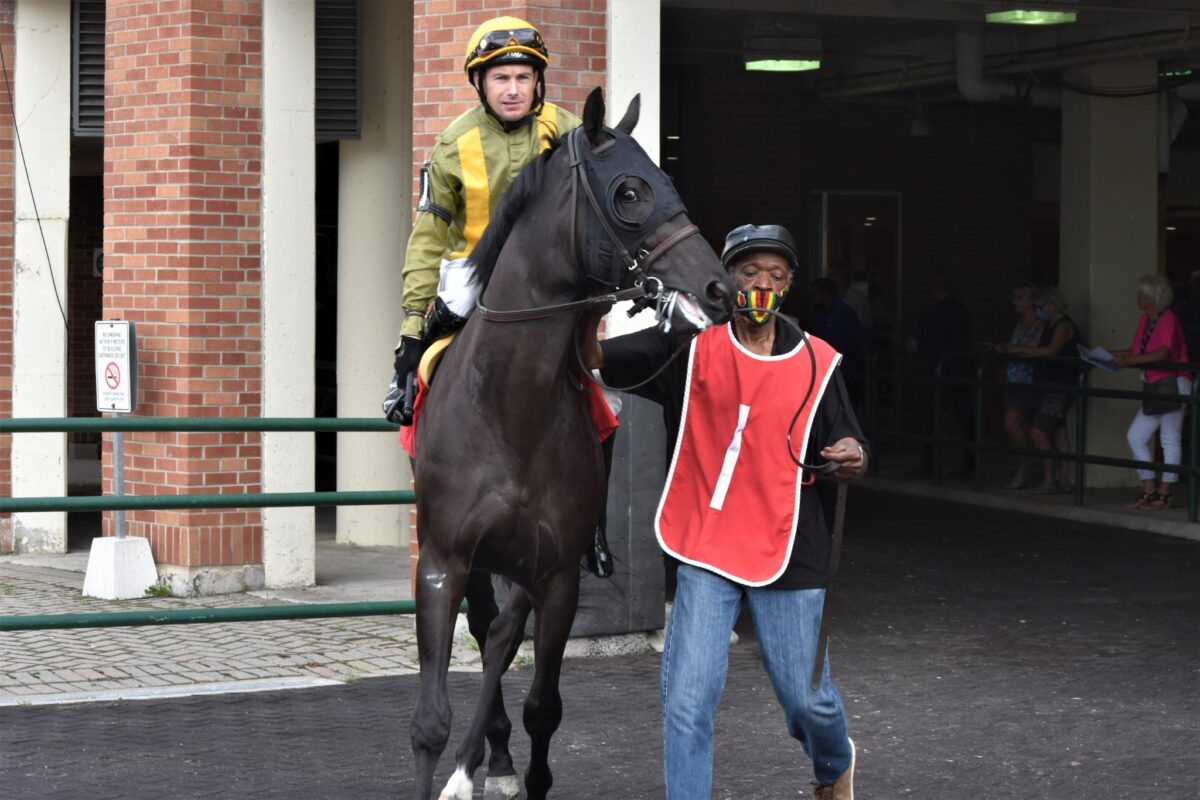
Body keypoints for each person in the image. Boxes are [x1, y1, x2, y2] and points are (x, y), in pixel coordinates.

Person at [588, 224, 865, 799]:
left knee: (806, 699)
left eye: (776, 275)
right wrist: (586, 304)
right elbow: (596, 359)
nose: (761, 285)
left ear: (789, 287)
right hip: (706, 544)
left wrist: (851, 455)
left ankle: (833, 763)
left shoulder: (819, 362)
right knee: (687, 701)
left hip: (787, 546)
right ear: (727, 278)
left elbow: (850, 443)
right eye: (749, 273)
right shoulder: (690, 351)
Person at [386, 17, 612, 575]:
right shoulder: (451, 143)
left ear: (538, 82)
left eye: (522, 77)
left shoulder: (569, 132)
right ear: (480, 84)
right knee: (423, 383)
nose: (512, 88)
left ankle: (593, 528)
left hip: (556, 288)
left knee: (605, 407)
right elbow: (427, 240)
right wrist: (412, 329)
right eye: (501, 78)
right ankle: (438, 496)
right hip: (474, 280)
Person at [1109, 275, 1191, 510]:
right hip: (1155, 382)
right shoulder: (1146, 319)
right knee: (1136, 436)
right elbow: (1136, 351)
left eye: (1141, 294)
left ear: (1152, 297)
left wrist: (1126, 360)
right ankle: (1150, 489)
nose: (1137, 297)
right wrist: (1106, 353)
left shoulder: (1169, 319)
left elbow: (1162, 353)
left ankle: (1165, 492)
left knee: (1168, 438)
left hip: (1173, 382)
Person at [1006, 285, 1081, 494]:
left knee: (1037, 431)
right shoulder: (1048, 324)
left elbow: (1051, 350)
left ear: (1051, 305)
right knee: (1059, 432)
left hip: (1060, 385)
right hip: (1049, 384)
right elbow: (1034, 343)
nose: (1038, 310)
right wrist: (1019, 347)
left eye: (1040, 306)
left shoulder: (1064, 326)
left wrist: (1020, 349)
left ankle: (1049, 481)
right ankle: (1063, 480)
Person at [911, 273, 974, 477]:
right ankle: (970, 463)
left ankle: (929, 463)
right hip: (962, 370)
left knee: (931, 418)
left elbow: (924, 340)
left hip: (939, 369)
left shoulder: (936, 312)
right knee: (965, 418)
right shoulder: (961, 310)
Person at [995, 283, 1042, 489]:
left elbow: (1030, 348)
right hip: (1013, 377)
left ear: (1031, 300)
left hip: (1028, 379)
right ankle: (1024, 462)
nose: (1016, 302)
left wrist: (1013, 349)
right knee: (1018, 425)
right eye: (1015, 297)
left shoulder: (1040, 322)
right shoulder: (1019, 321)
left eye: (1020, 297)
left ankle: (1025, 463)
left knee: (1011, 422)